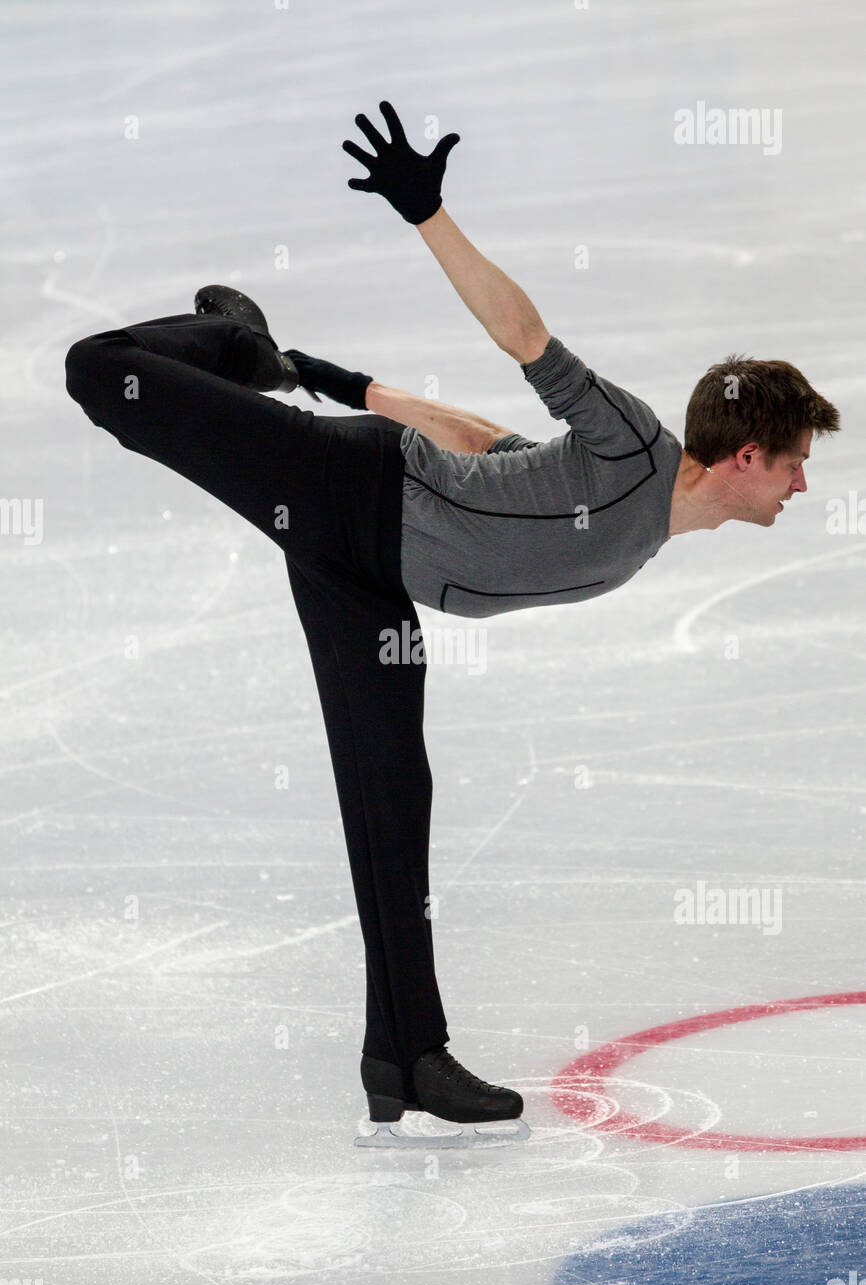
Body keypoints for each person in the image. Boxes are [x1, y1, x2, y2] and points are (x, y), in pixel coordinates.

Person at [64, 101, 840, 1149]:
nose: (801, 483)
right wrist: (426, 212)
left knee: (393, 794)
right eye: (793, 460)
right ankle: (229, 343)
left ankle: (405, 1055)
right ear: (744, 455)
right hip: (344, 487)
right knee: (98, 369)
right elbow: (524, 338)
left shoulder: (639, 525)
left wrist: (329, 376)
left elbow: (476, 435)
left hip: (366, 577)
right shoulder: (634, 449)